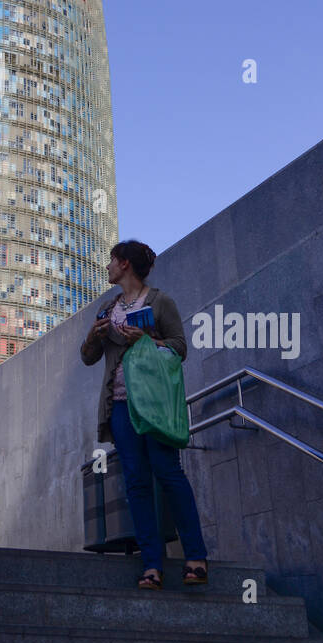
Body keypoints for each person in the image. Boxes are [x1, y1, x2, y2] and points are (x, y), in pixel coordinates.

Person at [80, 239, 208, 589]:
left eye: (111, 261)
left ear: (125, 264)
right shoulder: (107, 308)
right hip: (120, 405)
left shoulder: (160, 301)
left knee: (168, 473)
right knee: (135, 481)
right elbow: (88, 357)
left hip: (152, 404)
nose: (107, 267)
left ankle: (195, 558)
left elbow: (180, 347)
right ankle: (152, 564)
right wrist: (94, 335)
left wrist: (147, 339)